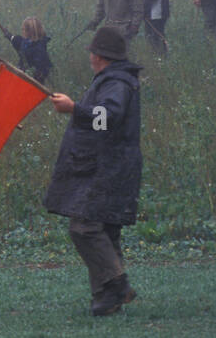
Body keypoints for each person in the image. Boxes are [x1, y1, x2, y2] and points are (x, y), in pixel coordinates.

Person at [44, 26, 142, 316]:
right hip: (111, 165)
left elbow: (107, 119)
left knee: (84, 227)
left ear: (100, 56)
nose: (90, 57)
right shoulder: (114, 79)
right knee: (106, 230)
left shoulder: (117, 83)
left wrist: (74, 108)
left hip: (109, 168)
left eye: (92, 53)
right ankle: (107, 299)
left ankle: (117, 283)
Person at [9, 16, 52, 84]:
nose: (22, 32)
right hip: (23, 80)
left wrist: (35, 77)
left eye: (23, 30)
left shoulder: (39, 49)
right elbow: (18, 42)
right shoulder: (27, 43)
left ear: (30, 32)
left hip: (33, 84)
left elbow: (43, 69)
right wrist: (10, 36)